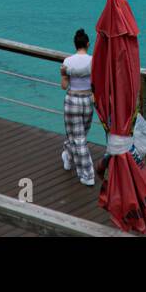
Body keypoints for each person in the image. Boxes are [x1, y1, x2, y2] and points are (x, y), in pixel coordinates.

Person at [59, 29, 95, 186]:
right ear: (88, 44)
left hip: (72, 99)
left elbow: (64, 85)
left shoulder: (67, 62)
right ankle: (88, 174)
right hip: (88, 100)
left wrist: (64, 74)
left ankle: (67, 155)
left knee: (77, 136)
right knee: (81, 137)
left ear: (75, 45)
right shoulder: (94, 61)